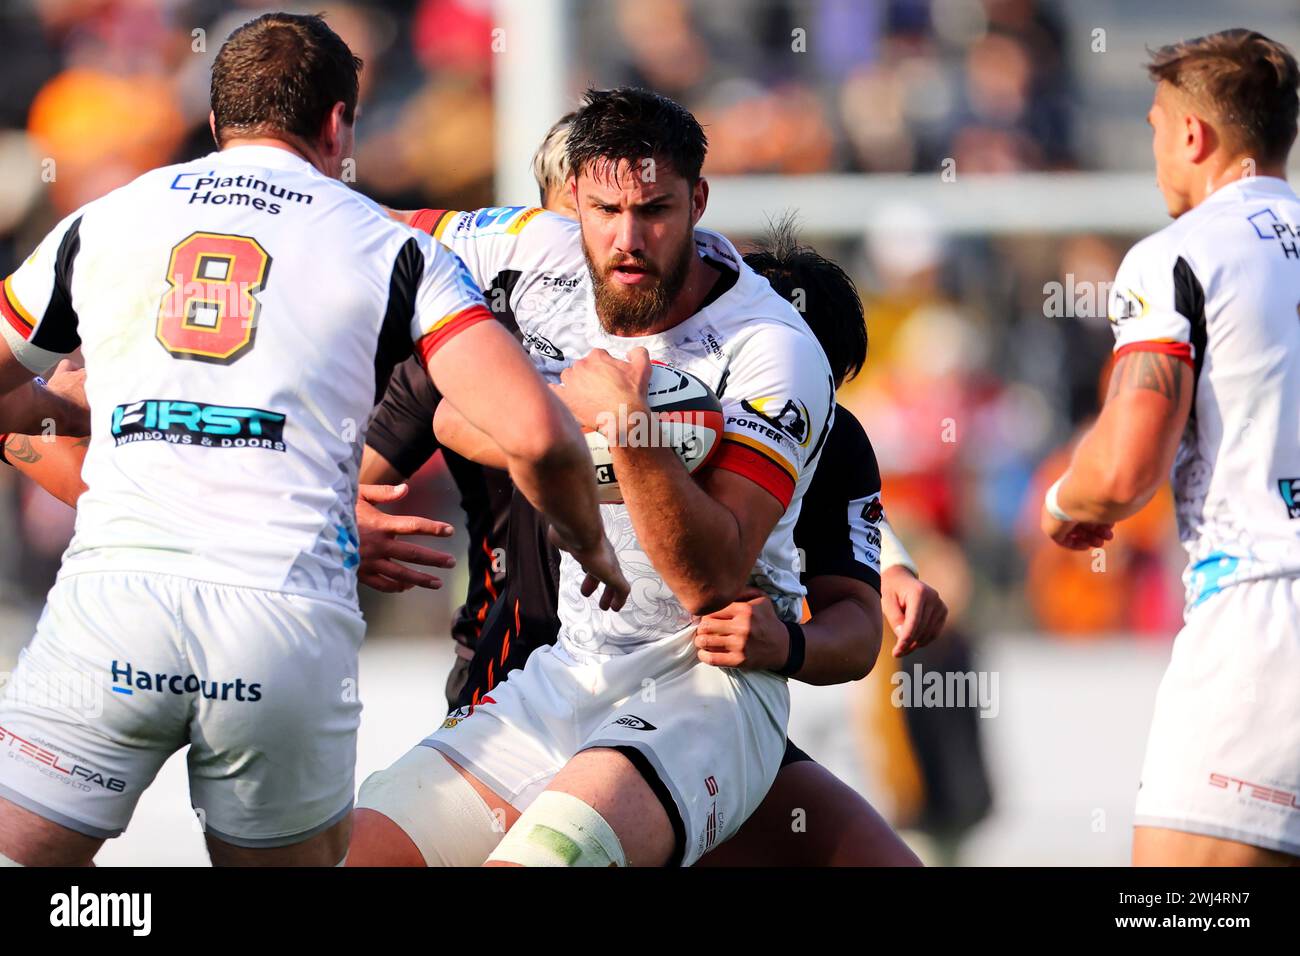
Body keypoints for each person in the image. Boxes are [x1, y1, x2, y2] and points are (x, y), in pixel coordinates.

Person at [0, 12, 623, 868]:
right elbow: (537, 435)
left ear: (217, 122)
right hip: (281, 619)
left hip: (115, 603)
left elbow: (15, 401)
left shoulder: (105, 219)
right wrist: (591, 546)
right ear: (339, 124)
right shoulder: (395, 248)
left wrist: (75, 418)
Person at [350, 87, 838, 867]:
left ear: (698, 201)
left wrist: (627, 428)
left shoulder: (770, 350)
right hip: (568, 673)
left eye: (656, 210)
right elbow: (349, 232)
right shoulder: (528, 247)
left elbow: (712, 580)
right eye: (605, 210)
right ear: (571, 198)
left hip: (705, 691)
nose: (628, 237)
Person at [1042, 29, 1300, 866]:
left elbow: (1121, 471)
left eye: (1155, 127)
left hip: (1264, 618)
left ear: (1193, 135)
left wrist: (1065, 503)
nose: (1154, 153)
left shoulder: (1179, 255)